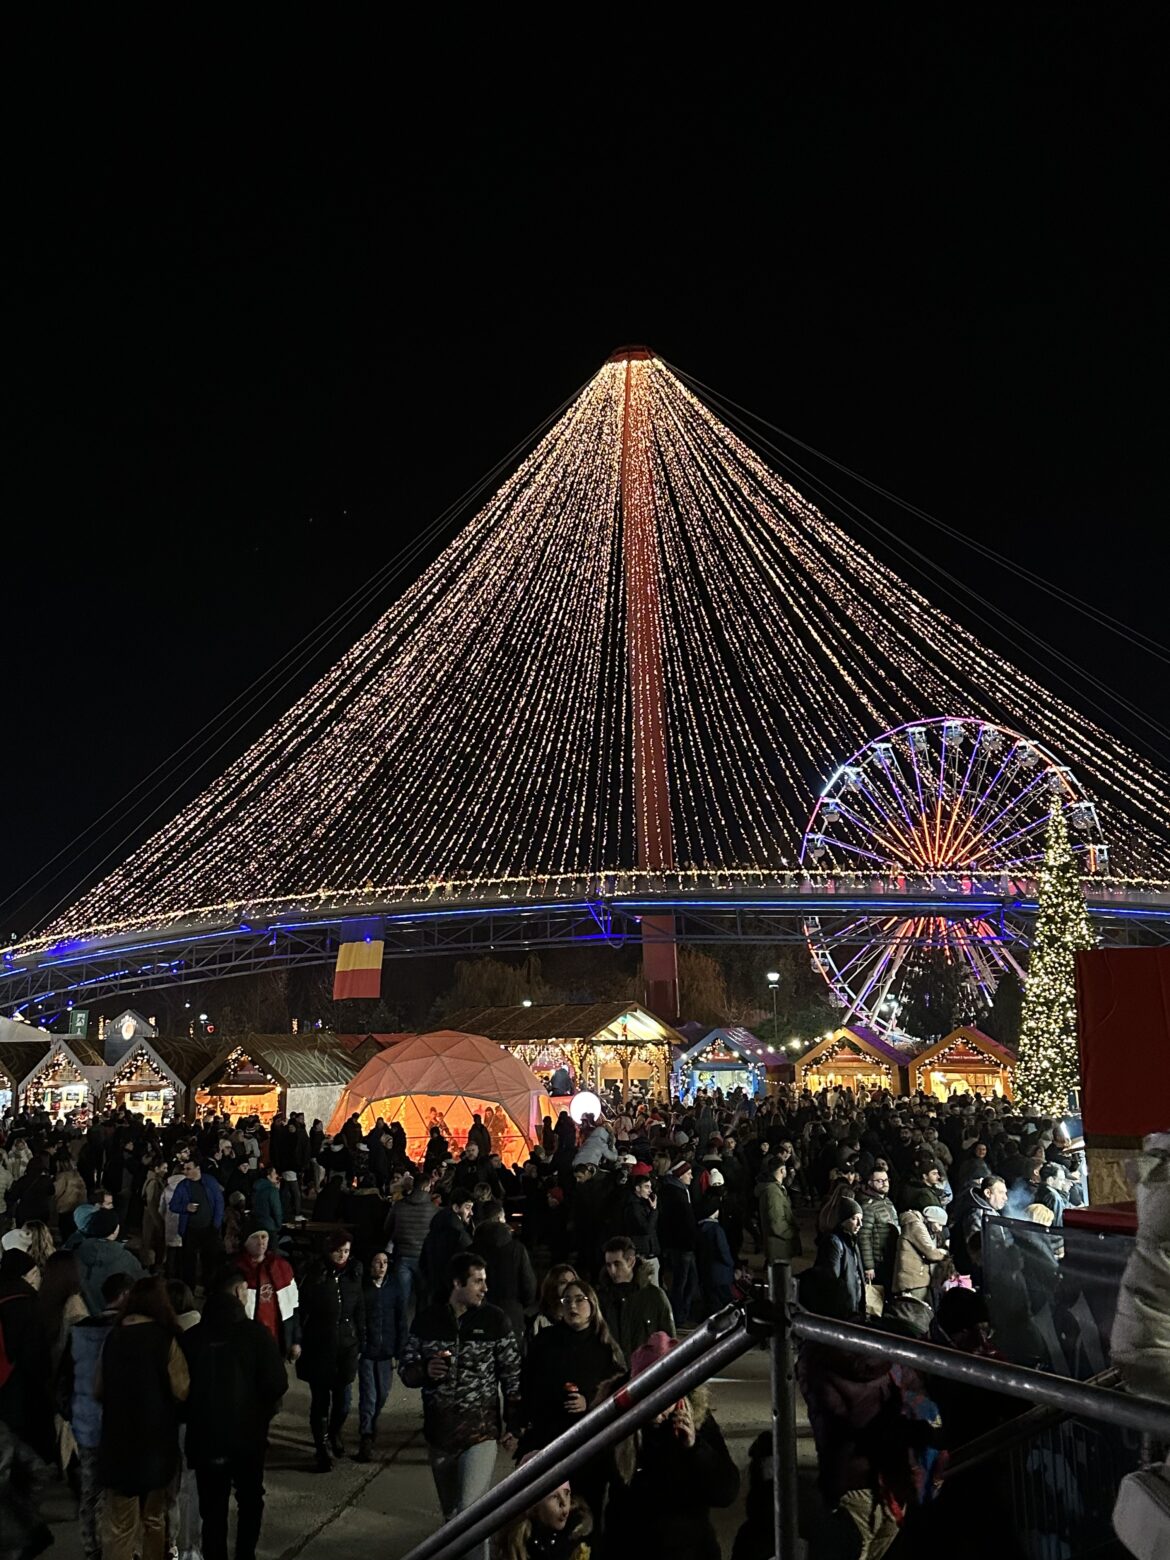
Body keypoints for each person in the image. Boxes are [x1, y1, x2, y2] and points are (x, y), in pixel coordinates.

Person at [399, 1252, 522, 1560]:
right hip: (439, 1435)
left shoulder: (495, 1320)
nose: (485, 1288)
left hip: (479, 1435)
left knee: (470, 1515)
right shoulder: (429, 1320)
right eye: (478, 1281)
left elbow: (512, 1376)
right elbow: (406, 1369)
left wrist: (515, 1424)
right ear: (457, 1283)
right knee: (452, 1517)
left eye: (485, 1281)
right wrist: (425, 1370)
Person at [182, 1271, 288, 1560]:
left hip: (205, 1438)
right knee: (250, 1500)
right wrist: (261, 1413)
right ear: (239, 1294)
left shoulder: (191, 1339)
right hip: (247, 1436)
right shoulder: (255, 1335)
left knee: (212, 1508)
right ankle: (245, 1554)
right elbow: (277, 1383)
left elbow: (179, 1390)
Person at [606, 1331, 739, 1560]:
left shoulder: (696, 1419)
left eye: (665, 1393)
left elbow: (726, 1493)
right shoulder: (616, 1419)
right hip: (630, 1546)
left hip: (687, 1548)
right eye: (648, 1393)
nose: (657, 1403)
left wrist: (695, 1449)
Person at [97, 1276, 190, 1560]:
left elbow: (97, 1388)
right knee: (153, 1519)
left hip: (117, 1441)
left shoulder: (114, 1337)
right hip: (156, 1443)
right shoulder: (165, 1339)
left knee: (119, 1526)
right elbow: (182, 1389)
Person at [519, 1277, 624, 1528]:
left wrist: (589, 1401)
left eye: (580, 1300)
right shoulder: (545, 1341)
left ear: (592, 1305)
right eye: (567, 1301)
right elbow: (527, 1385)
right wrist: (518, 1424)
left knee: (586, 1513)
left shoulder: (605, 1347)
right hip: (549, 1438)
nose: (572, 1306)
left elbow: (618, 1393)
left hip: (588, 1446)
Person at [58, 1270, 135, 1560]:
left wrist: (73, 1413)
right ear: (125, 1296)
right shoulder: (126, 1332)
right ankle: (120, 1548)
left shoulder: (79, 1330)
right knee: (122, 1495)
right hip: (120, 1427)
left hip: (86, 1424)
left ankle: (91, 1547)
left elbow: (63, 1382)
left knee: (90, 1491)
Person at [296, 1231, 364, 1471]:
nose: (342, 1255)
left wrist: (360, 1339)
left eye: (346, 1251)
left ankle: (334, 1432)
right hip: (320, 1345)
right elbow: (302, 1309)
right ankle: (321, 1446)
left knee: (344, 1400)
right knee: (320, 1400)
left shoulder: (353, 1274)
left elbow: (359, 1308)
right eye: (338, 1251)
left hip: (346, 1345)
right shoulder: (316, 1274)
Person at [596, 1237, 675, 1361]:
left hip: (646, 1373)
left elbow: (668, 1341)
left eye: (617, 1264)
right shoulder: (601, 1298)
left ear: (631, 1262)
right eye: (608, 1265)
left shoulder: (654, 1297)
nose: (612, 1270)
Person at [470, 1201, 537, 1347]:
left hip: (477, 1313)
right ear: (500, 1218)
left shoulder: (471, 1250)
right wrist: (521, 1304)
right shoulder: (517, 1249)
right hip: (510, 1313)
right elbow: (528, 1285)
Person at [494, 1467, 594, 1560]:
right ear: (533, 1507)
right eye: (554, 1497)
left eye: (567, 1493)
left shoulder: (578, 1527)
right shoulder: (522, 1545)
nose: (564, 1503)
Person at [234, 1229, 301, 1358]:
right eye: (255, 1237)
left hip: (277, 1341)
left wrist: (295, 1340)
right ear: (245, 1241)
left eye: (264, 1237)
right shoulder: (235, 1269)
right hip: (248, 1342)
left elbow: (294, 1306)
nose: (260, 1242)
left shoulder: (282, 1267)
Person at [357, 1251, 397, 1462]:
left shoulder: (393, 1289)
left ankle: (372, 1424)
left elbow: (400, 1319)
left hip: (386, 1351)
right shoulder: (364, 1290)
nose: (381, 1266)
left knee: (382, 1393)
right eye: (377, 1262)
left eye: (385, 1262)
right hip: (367, 1352)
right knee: (369, 1396)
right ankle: (366, 1435)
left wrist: (400, 1349)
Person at [169, 1160, 225, 1294]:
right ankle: (189, 1289)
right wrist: (185, 1207)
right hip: (190, 1230)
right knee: (189, 1263)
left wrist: (216, 1224)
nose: (185, 1172)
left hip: (209, 1229)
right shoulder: (183, 1186)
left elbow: (219, 1201)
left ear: (198, 1168)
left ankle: (209, 1289)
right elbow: (173, 1205)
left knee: (209, 1261)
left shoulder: (209, 1181)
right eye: (184, 1169)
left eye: (189, 1169)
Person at [658, 1160, 699, 1327]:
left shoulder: (678, 1191)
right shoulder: (677, 1195)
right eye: (688, 1174)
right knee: (682, 1283)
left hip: (682, 1245)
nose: (691, 1176)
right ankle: (678, 1316)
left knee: (688, 1281)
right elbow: (684, 1223)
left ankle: (681, 1314)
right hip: (682, 1246)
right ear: (680, 1176)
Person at [813, 1196, 865, 1321]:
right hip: (843, 1309)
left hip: (851, 1306)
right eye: (854, 1219)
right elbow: (830, 1280)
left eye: (861, 1219)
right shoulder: (834, 1242)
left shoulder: (851, 1240)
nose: (860, 1224)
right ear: (842, 1220)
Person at [419, 1193, 474, 1303]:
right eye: (467, 1208)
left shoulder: (435, 1228)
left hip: (432, 1286)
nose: (471, 1213)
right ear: (456, 1208)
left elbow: (423, 1261)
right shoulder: (459, 1235)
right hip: (450, 1290)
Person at [858, 1168, 899, 1302]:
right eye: (879, 1181)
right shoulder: (868, 1207)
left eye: (886, 1180)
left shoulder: (887, 1202)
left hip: (890, 1257)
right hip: (878, 1261)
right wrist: (869, 1266)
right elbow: (864, 1237)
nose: (885, 1183)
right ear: (870, 1183)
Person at [619, 1171, 662, 1288]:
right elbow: (646, 1228)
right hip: (644, 1253)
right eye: (647, 1187)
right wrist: (654, 1210)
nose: (650, 1190)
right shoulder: (634, 1207)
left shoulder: (641, 1204)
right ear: (637, 1188)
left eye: (650, 1187)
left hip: (647, 1251)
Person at [757, 1156, 800, 1263]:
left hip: (777, 1245)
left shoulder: (773, 1188)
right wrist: (792, 1232)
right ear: (782, 1170)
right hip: (779, 1246)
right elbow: (776, 1222)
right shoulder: (773, 1192)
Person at [531, 1264, 579, 1335]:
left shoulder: (581, 1317)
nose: (570, 1285)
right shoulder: (541, 1321)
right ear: (553, 1286)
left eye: (573, 1281)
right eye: (563, 1282)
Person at [250, 1164, 284, 1237]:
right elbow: (277, 1209)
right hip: (269, 1226)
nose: (276, 1175)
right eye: (274, 1173)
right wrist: (278, 1225)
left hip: (255, 1224)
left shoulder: (256, 1188)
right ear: (268, 1176)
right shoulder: (272, 1191)